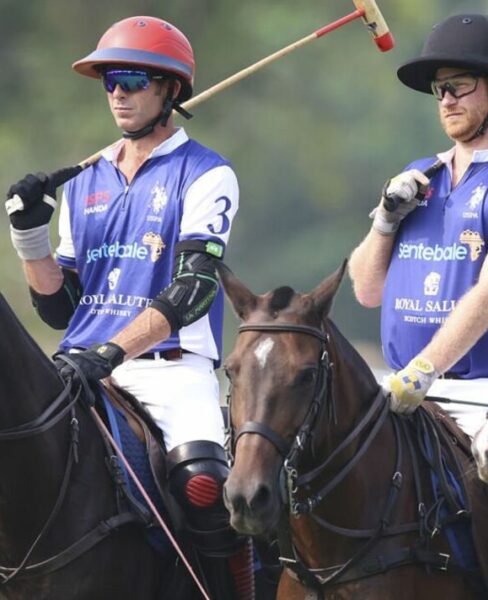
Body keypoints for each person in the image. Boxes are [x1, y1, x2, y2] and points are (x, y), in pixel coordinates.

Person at [5, 16, 252, 599]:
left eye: (134, 78)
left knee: (206, 487)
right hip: (77, 367)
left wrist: (111, 352)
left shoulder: (208, 173)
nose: (118, 91)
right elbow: (60, 308)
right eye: (110, 79)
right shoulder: (87, 181)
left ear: (170, 90)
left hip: (170, 370)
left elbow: (193, 288)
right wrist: (28, 236)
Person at [347, 14, 488, 599]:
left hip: (480, 392)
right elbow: (366, 287)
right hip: (395, 389)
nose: (444, 100)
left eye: (458, 85)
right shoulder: (418, 177)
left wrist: (425, 370)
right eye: (438, 89)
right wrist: (385, 219)